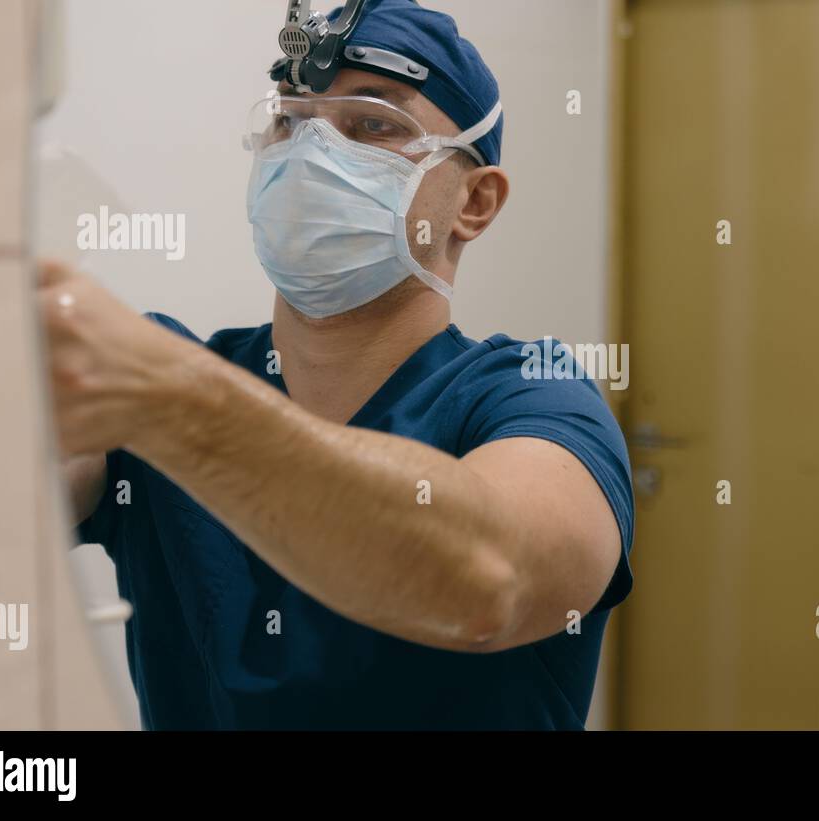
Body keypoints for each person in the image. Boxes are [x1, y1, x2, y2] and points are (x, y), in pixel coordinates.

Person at [42, 0, 633, 730]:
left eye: (373, 125)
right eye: (289, 119)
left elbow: (490, 579)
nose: (309, 151)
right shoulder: (166, 375)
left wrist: (178, 405)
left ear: (474, 202)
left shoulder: (532, 400)